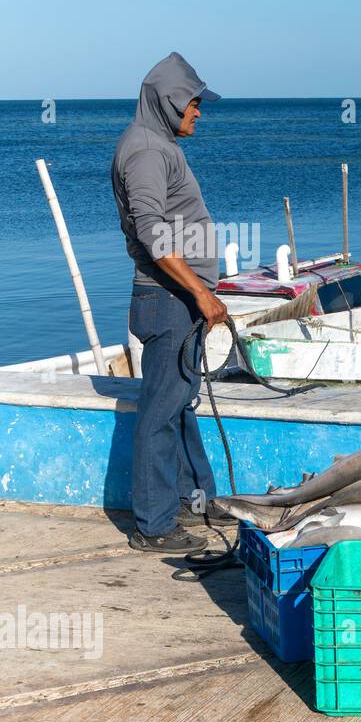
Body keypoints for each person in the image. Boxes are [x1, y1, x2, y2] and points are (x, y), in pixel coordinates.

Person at [112, 52, 234, 553]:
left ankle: (193, 499)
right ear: (168, 101)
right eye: (193, 103)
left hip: (176, 300)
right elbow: (152, 231)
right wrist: (202, 293)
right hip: (167, 301)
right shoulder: (144, 151)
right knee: (162, 411)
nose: (199, 112)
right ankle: (154, 525)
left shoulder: (158, 145)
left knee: (180, 404)